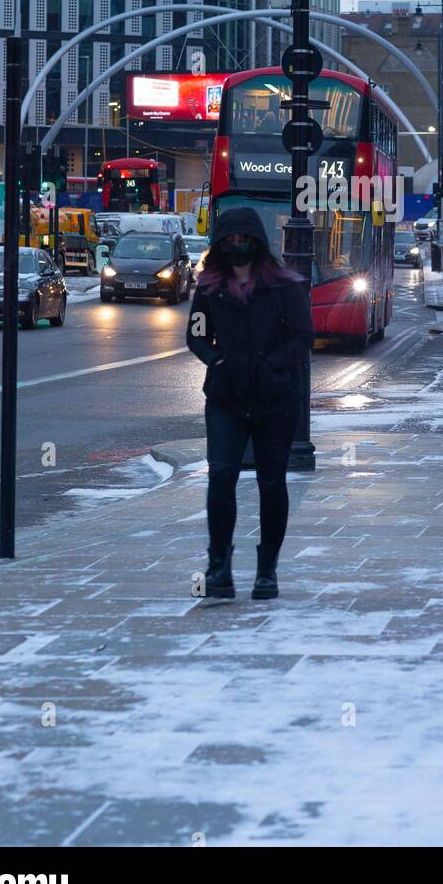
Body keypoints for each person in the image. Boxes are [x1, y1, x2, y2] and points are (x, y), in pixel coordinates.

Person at [186, 206, 313, 601]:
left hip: (275, 399)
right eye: (230, 240)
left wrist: (270, 367)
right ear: (220, 245)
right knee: (221, 475)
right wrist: (217, 361)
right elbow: (196, 336)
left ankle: (266, 571)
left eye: (243, 240)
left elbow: (301, 338)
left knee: (271, 482)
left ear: (257, 243)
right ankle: (219, 566)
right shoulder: (209, 289)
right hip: (226, 396)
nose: (237, 246)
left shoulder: (285, 287)